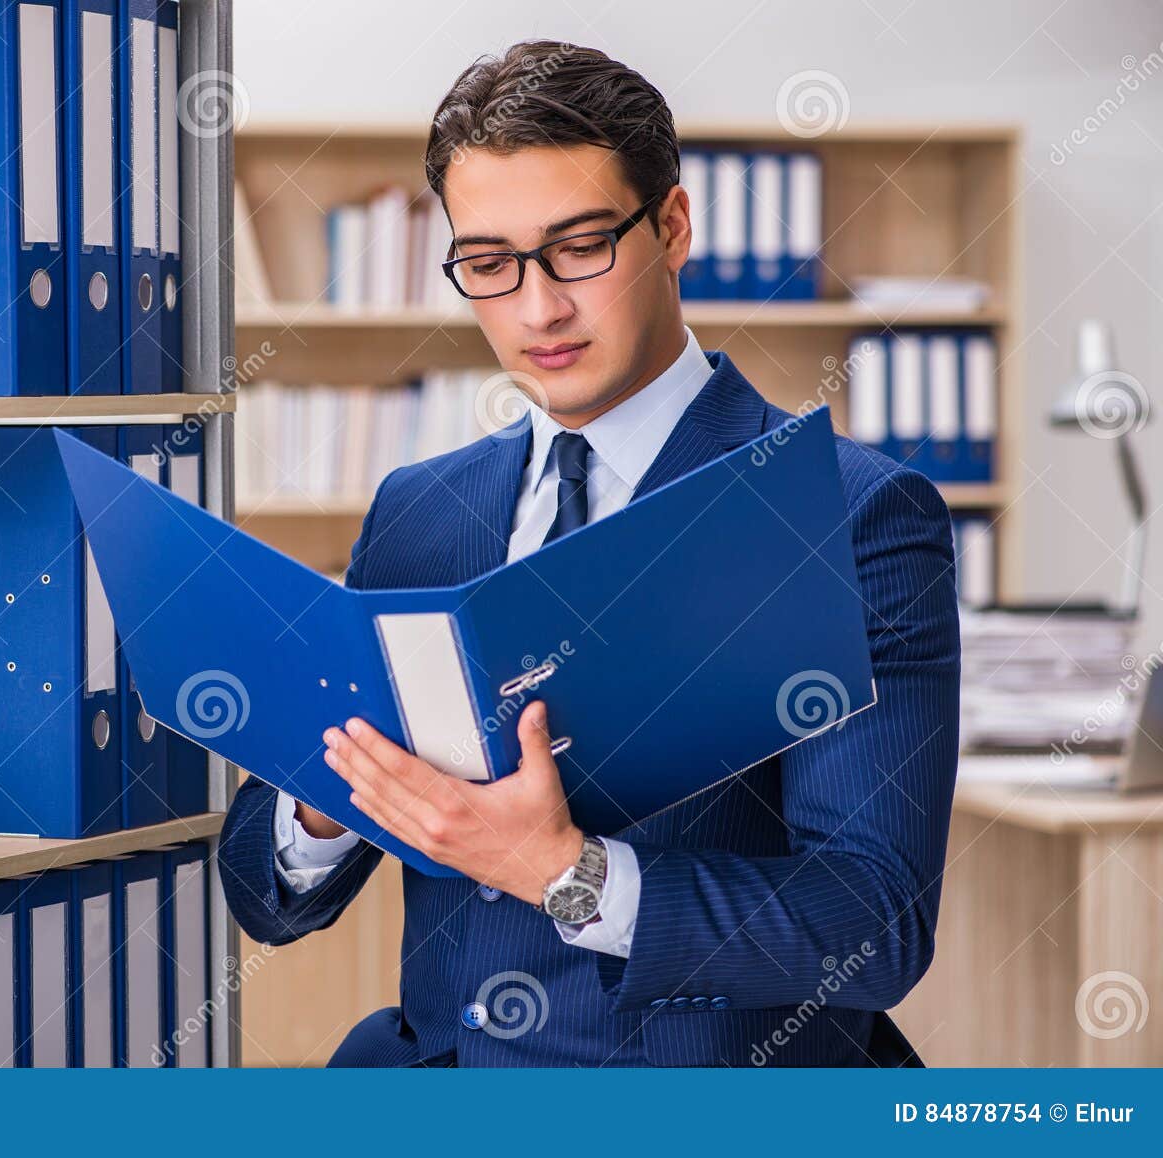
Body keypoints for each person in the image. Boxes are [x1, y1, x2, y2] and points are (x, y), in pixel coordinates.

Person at [218, 39, 960, 1067]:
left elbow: (871, 924)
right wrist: (330, 796)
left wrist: (567, 873)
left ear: (671, 227)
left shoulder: (843, 512)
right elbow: (266, 899)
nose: (537, 309)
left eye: (578, 248)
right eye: (488, 264)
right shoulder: (418, 513)